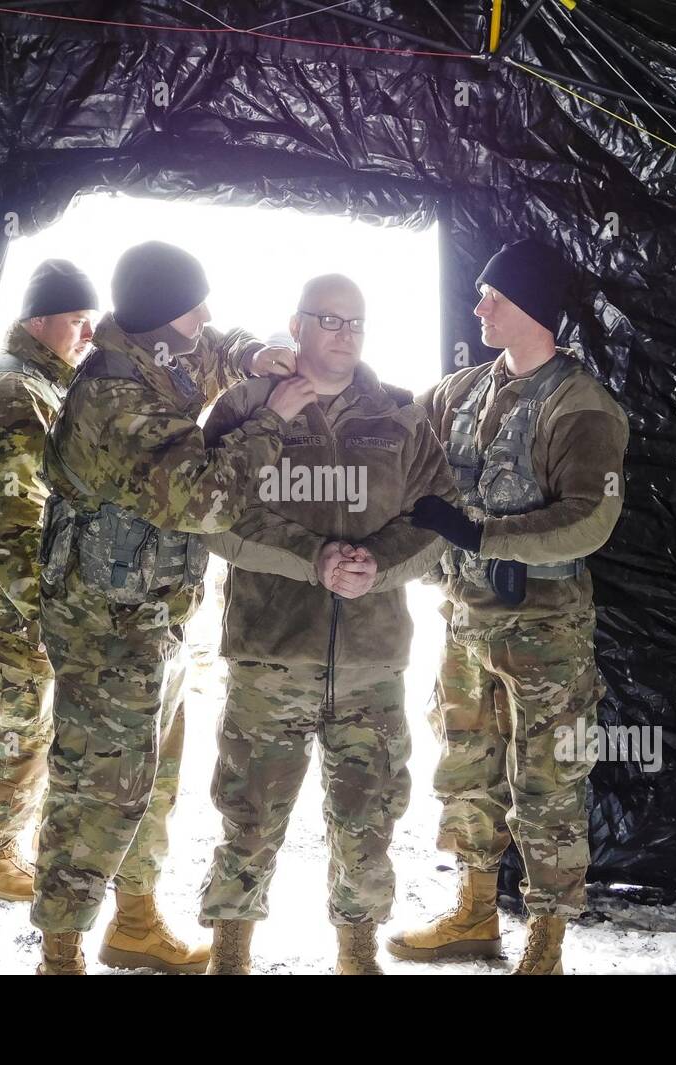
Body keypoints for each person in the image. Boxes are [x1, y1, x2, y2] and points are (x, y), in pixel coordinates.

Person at [30, 240, 315, 975]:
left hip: (150, 617)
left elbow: (216, 348)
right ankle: (59, 952)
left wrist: (257, 355)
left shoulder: (161, 351)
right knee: (99, 790)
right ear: (162, 322)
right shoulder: (116, 399)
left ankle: (134, 923)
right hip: (105, 629)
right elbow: (205, 500)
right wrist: (272, 421)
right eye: (195, 307)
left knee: (150, 784)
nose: (208, 318)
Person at [195, 273, 457, 975]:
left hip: (371, 662)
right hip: (271, 655)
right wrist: (313, 558)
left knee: (368, 820)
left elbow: (437, 515)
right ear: (297, 324)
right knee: (249, 817)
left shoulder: (400, 415)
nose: (344, 335)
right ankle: (230, 953)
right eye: (330, 320)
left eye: (356, 324)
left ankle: (356, 952)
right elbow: (215, 515)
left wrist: (379, 564)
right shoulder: (248, 407)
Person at [385, 238, 630, 975]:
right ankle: (473, 913)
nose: (479, 304)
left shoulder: (580, 406)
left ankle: (547, 941)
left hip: (545, 637)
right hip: (466, 623)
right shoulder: (463, 390)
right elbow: (399, 425)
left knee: (549, 784)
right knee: (467, 769)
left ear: (536, 311)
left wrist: (482, 532)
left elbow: (592, 518)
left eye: (495, 295)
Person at [0, 259, 97, 902]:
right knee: (17, 724)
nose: (87, 335)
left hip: (22, 589)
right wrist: (44, 608)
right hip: (17, 592)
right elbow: (13, 513)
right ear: (40, 321)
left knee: (28, 720)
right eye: (76, 322)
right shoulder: (15, 391)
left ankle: (8, 841)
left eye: (91, 323)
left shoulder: (38, 381)